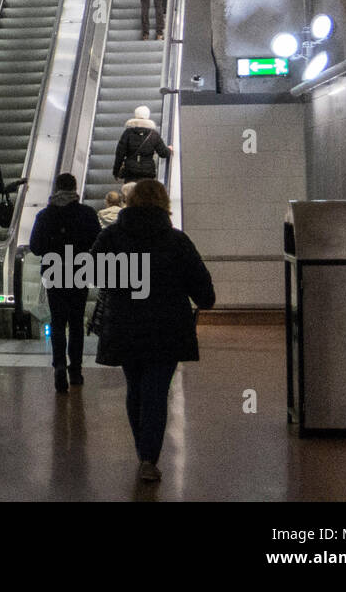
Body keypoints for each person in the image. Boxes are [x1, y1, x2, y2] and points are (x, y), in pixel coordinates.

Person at [92, 179, 215, 481]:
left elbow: (92, 272)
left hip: (125, 324)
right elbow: (205, 294)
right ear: (164, 203)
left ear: (130, 202)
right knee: (157, 391)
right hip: (167, 327)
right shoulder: (177, 241)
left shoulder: (110, 237)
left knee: (135, 387)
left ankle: (143, 452)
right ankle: (148, 458)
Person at [29, 173, 102, 393]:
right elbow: (97, 242)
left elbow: (36, 247)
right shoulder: (87, 214)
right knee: (77, 323)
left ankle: (59, 364)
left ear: (56, 188)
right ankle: (76, 370)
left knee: (58, 322)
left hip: (53, 272)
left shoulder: (45, 215)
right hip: (79, 271)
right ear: (75, 188)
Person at [112, 105, 173, 183]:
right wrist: (169, 149)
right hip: (147, 173)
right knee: (145, 193)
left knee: (131, 194)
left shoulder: (128, 133)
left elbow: (119, 154)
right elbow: (163, 153)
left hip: (131, 172)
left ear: (135, 115)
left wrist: (116, 171)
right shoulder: (153, 134)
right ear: (148, 116)